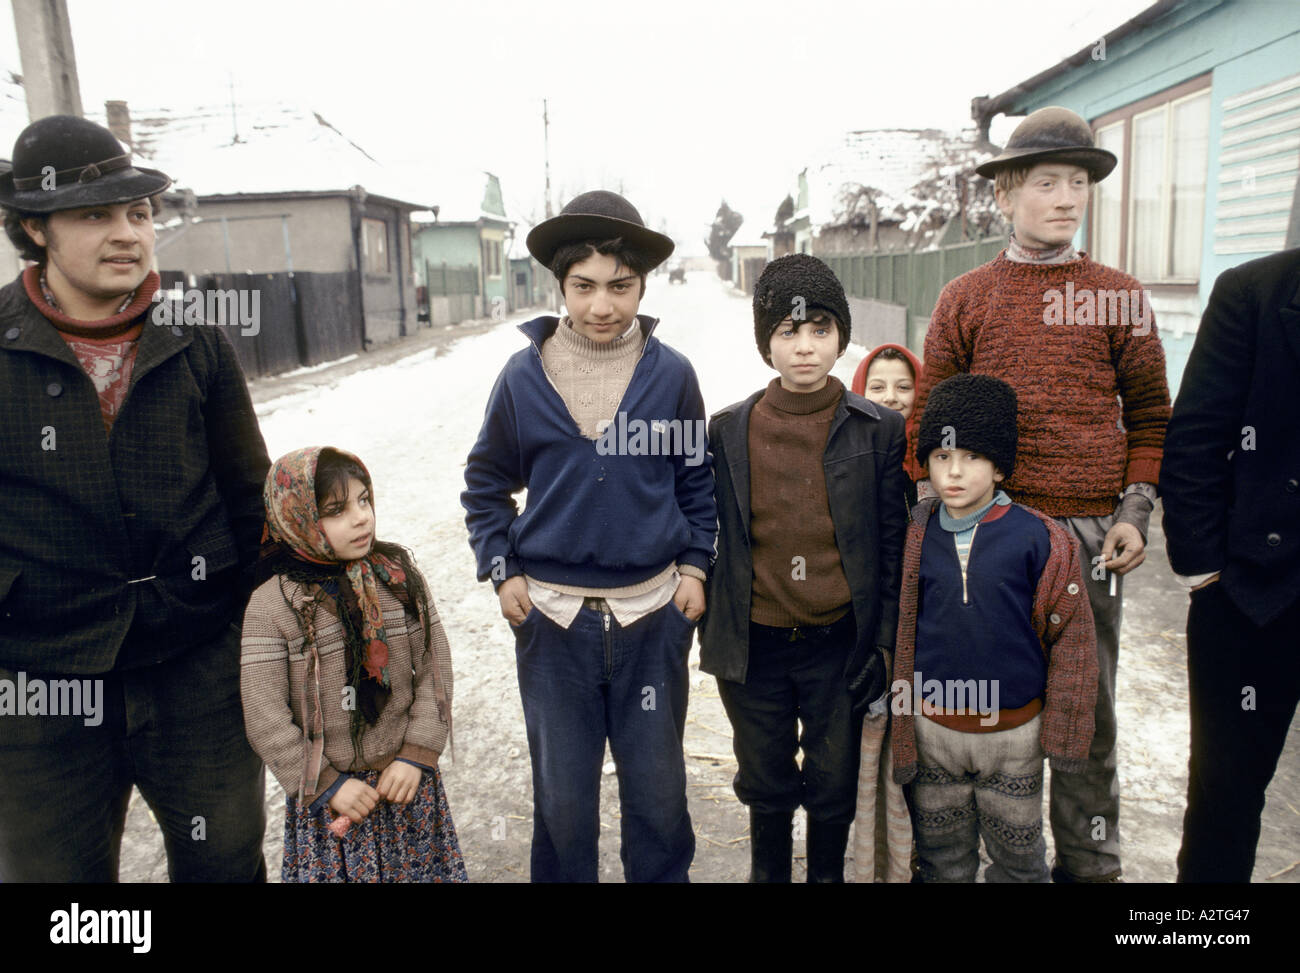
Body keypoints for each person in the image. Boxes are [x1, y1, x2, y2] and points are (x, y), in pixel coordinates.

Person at [0, 115, 271, 881]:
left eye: (139, 212)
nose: (127, 234)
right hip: (42, 688)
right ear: (34, 227)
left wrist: (246, 640)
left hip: (194, 669)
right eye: (95, 215)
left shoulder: (195, 334)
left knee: (224, 862)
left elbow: (248, 497)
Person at [908, 106, 1171, 882]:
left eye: (1079, 182)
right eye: (1048, 182)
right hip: (987, 537)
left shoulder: (1119, 297)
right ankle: (982, 861)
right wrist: (939, 512)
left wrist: (1135, 509)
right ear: (1005, 195)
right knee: (994, 710)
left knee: (1084, 715)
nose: (1067, 197)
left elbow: (1153, 415)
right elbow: (926, 421)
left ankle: (1090, 865)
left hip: (1090, 538)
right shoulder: (966, 298)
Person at [461, 190, 716, 883]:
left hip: (651, 620)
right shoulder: (523, 376)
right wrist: (502, 567)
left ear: (642, 286)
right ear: (560, 286)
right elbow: (485, 483)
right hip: (553, 625)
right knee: (564, 804)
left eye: (620, 286)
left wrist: (694, 567)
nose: (602, 305)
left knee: (659, 798)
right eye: (584, 287)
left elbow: (697, 482)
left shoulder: (671, 376)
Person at [699, 254, 908, 882]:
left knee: (832, 781)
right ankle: (769, 873)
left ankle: (825, 875)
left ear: (841, 336)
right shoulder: (730, 429)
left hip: (838, 645)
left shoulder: (879, 429)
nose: (805, 347)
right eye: (788, 332)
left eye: (820, 329)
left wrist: (882, 642)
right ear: (766, 341)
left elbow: (893, 546)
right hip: (754, 646)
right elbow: (707, 531)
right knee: (765, 781)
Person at [892, 373, 1098, 882]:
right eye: (941, 457)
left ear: (1001, 466)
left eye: (972, 457)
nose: (954, 472)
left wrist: (1066, 734)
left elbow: (1073, 642)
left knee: (1018, 855)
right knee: (941, 855)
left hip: (1014, 736)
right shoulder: (914, 534)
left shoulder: (1042, 539)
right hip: (933, 728)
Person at [241, 447, 465, 883]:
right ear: (297, 517)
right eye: (336, 509)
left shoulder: (398, 578)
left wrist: (417, 754)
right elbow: (265, 717)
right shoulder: (274, 606)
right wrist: (326, 784)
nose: (361, 517)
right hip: (332, 808)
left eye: (364, 500)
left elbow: (435, 670)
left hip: (406, 789)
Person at [1160, 248, 1300, 882]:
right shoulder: (1256, 292)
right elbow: (1195, 436)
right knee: (1225, 797)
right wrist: (1205, 574)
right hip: (1251, 596)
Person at [853, 342, 924, 508]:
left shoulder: (934, 452)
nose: (890, 397)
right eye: (877, 387)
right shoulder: (844, 448)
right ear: (860, 390)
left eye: (903, 387)